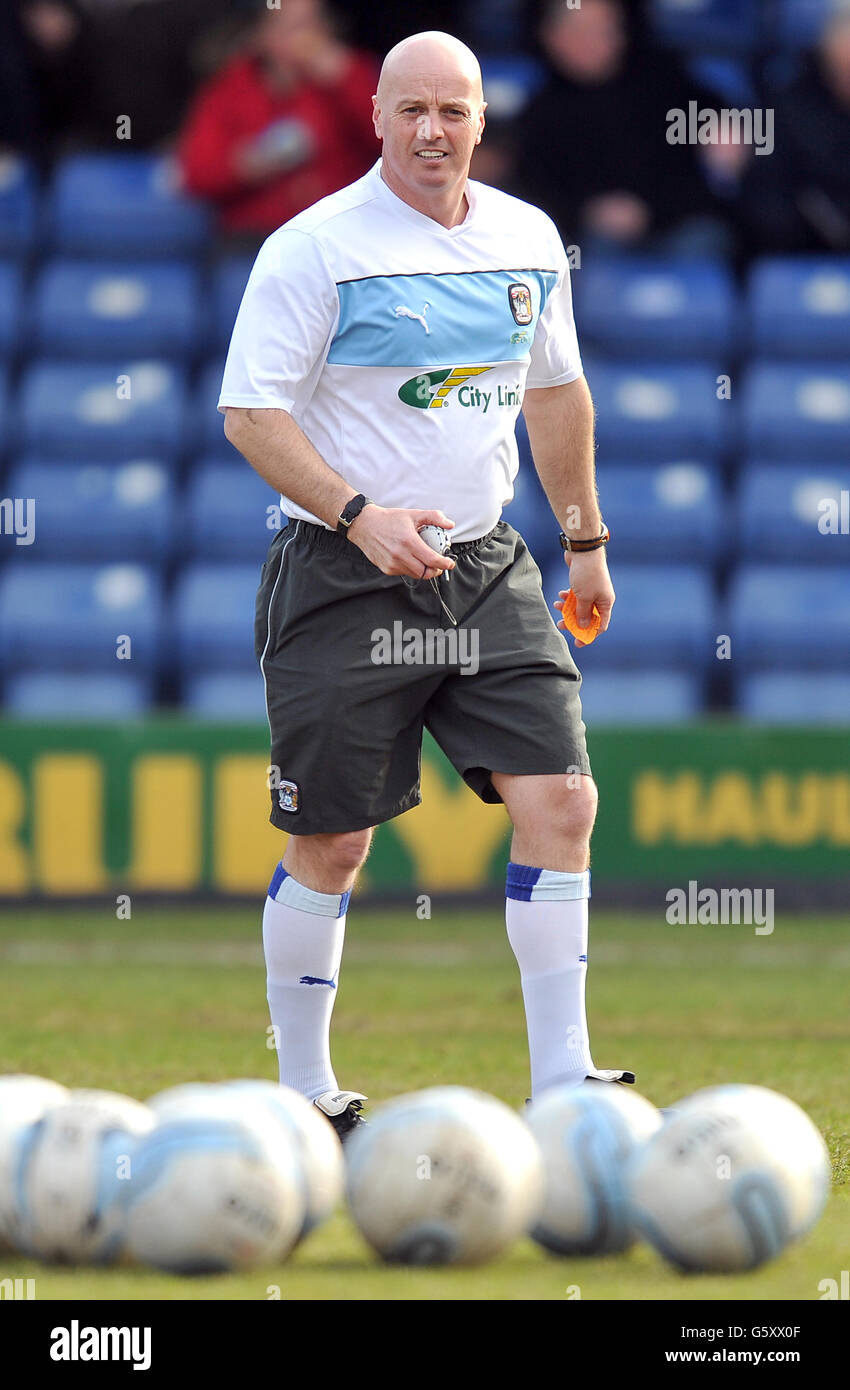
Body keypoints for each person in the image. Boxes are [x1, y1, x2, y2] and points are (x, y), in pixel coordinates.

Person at [219, 30, 633, 1141]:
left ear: (483, 120)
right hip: (341, 572)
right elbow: (250, 414)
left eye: (453, 110)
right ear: (377, 118)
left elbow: (556, 392)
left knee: (564, 801)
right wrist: (360, 515)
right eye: (411, 110)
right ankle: (303, 1092)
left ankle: (564, 1084)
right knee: (335, 842)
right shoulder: (314, 248)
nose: (433, 131)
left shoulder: (526, 236)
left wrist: (584, 541)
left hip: (487, 565)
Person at [514, 0, 731, 256]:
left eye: (604, 29)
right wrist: (588, 212)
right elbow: (537, 194)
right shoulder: (539, 113)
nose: (592, 41)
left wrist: (726, 126)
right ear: (550, 36)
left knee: (704, 239)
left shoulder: (664, 82)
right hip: (591, 238)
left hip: (677, 223)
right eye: (579, 30)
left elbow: (717, 117)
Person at [178, 0, 378, 236]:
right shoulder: (229, 89)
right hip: (254, 235)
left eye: (311, 25)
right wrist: (250, 163)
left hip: (342, 230)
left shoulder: (350, 74)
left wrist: (345, 78)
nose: (304, 38)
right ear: (264, 35)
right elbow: (196, 174)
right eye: (291, 27)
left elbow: (388, 142)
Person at [741, 8, 850, 253]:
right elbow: (768, 192)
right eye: (840, 70)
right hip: (804, 246)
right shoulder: (789, 105)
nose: (846, 80)